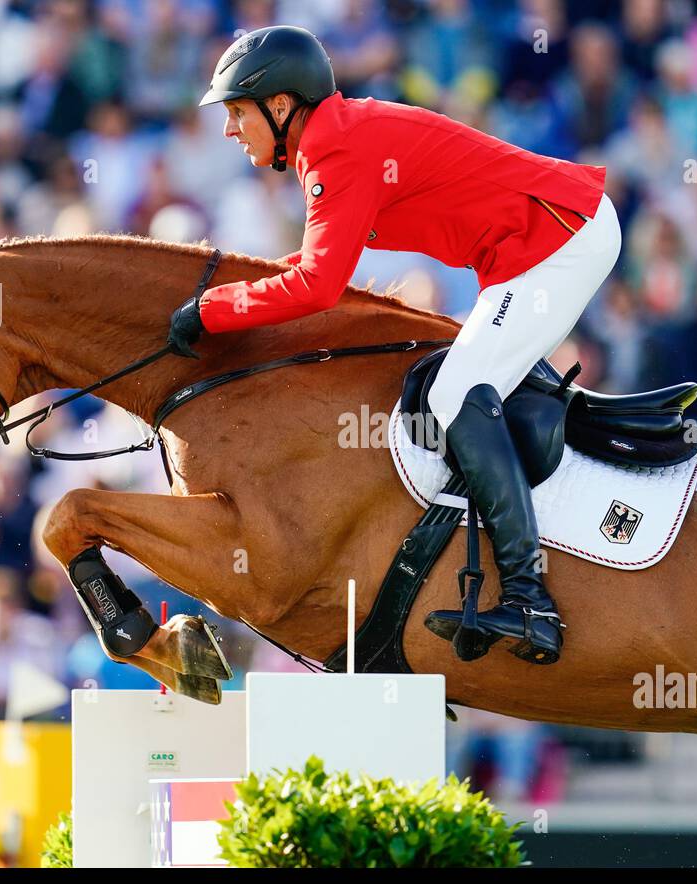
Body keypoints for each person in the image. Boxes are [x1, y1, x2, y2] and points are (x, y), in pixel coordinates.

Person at [168, 25, 623, 665]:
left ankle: (530, 599)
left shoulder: (337, 152)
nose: (228, 129)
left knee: (456, 393)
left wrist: (212, 310)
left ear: (280, 106)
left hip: (557, 241)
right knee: (451, 391)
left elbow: (318, 285)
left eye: (237, 112)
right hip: (539, 247)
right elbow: (318, 264)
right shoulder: (333, 142)